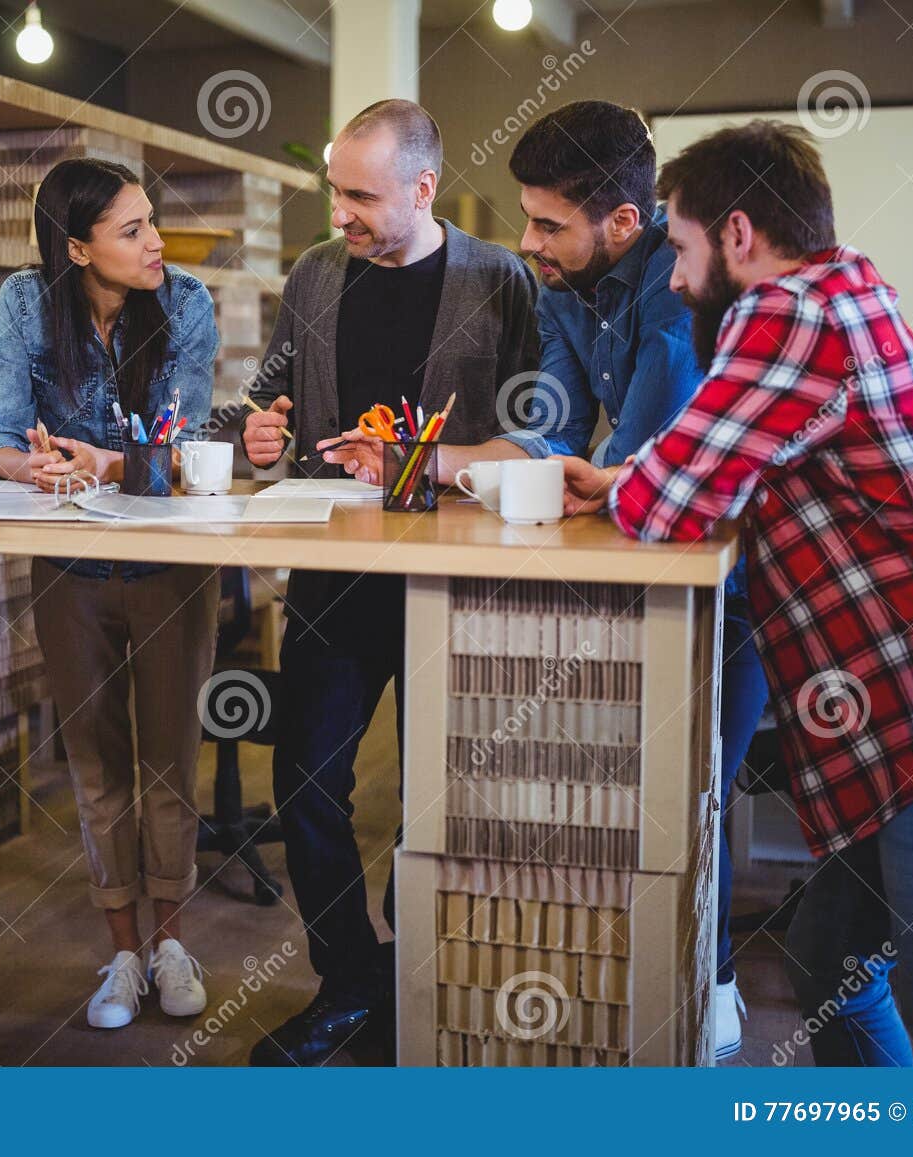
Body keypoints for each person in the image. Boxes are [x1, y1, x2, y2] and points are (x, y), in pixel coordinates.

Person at [560, 120, 913, 1065]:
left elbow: (677, 505)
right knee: (828, 966)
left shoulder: (790, 311)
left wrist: (635, 485)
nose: (673, 277)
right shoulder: (837, 295)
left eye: (684, 248)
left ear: (738, 236)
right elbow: (717, 463)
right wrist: (624, 480)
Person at [240, 99, 538, 1066]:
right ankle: (350, 981)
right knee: (306, 781)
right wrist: (261, 434)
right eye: (335, 188)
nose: (341, 212)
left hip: (457, 579)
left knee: (432, 799)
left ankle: (417, 987)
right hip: (336, 573)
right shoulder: (316, 274)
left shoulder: (502, 281)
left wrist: (427, 456)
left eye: (361, 195)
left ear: (423, 188)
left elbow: (540, 433)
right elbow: (267, 396)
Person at [478, 99, 767, 1058]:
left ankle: (715, 977)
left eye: (548, 223)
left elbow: (645, 447)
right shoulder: (565, 284)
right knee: (630, 783)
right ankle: (621, 982)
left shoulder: (673, 288)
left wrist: (580, 471)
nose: (529, 243)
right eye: (527, 218)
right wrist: (461, 462)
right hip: (643, 558)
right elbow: (559, 424)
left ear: (624, 221)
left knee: (701, 786)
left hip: (731, 584)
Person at [0, 157, 220, 1033]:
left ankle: (171, 944)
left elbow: (184, 456)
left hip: (171, 570)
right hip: (71, 569)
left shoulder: (186, 303)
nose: (156, 242)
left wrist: (105, 462)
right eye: (131, 231)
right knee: (97, 769)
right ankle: (122, 950)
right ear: (76, 248)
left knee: (169, 767)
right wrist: (27, 463)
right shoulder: (24, 305)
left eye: (152, 222)